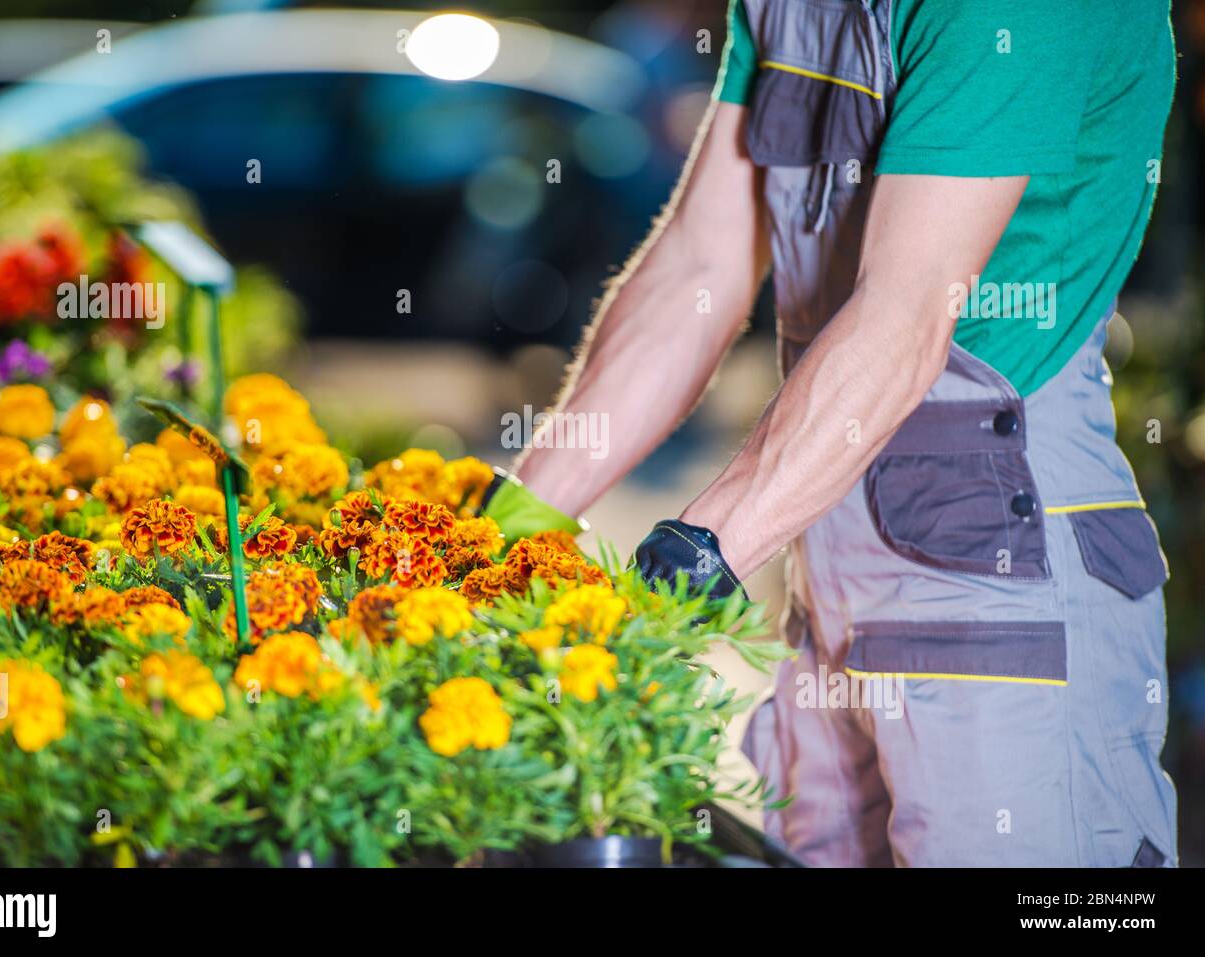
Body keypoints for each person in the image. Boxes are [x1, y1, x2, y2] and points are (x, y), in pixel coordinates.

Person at [486, 0, 1179, 866]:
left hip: (1007, 581)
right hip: (825, 559)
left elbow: (906, 316)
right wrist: (499, 533)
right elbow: (700, 262)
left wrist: (687, 567)